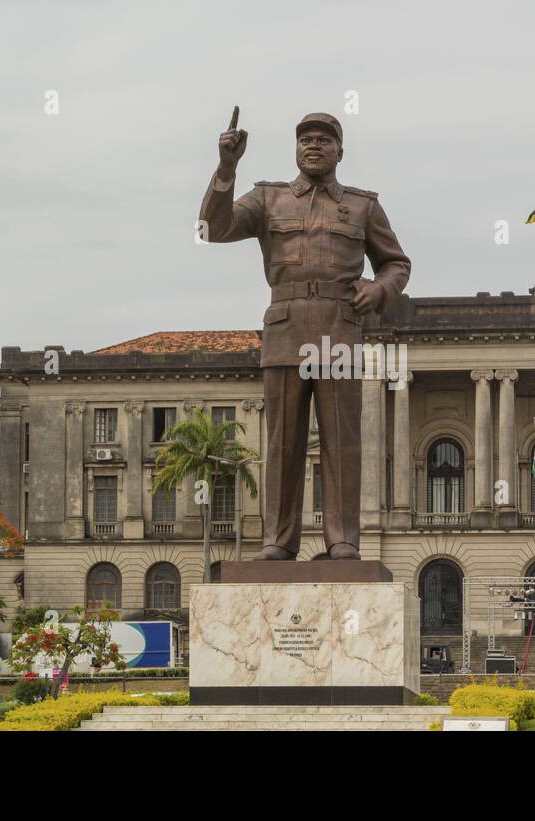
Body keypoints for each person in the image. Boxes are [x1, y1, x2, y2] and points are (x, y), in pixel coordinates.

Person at [199, 108, 410, 561]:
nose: (314, 145)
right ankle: (278, 540)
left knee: (342, 441)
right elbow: (212, 230)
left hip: (339, 327)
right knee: (284, 443)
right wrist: (226, 167)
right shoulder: (268, 199)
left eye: (324, 139)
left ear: (340, 150)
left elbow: (397, 263)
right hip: (286, 328)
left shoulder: (362, 206)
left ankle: (342, 539)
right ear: (296, 149)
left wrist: (380, 289)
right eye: (305, 139)